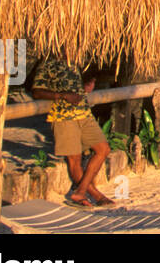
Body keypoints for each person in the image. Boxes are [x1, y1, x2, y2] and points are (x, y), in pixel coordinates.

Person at [30, 55, 114, 208]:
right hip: (63, 117)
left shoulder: (74, 61)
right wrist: (62, 95)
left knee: (103, 149)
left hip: (84, 114)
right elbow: (36, 92)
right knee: (75, 160)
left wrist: (85, 88)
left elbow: (74, 86)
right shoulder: (48, 63)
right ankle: (95, 195)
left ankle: (80, 191)